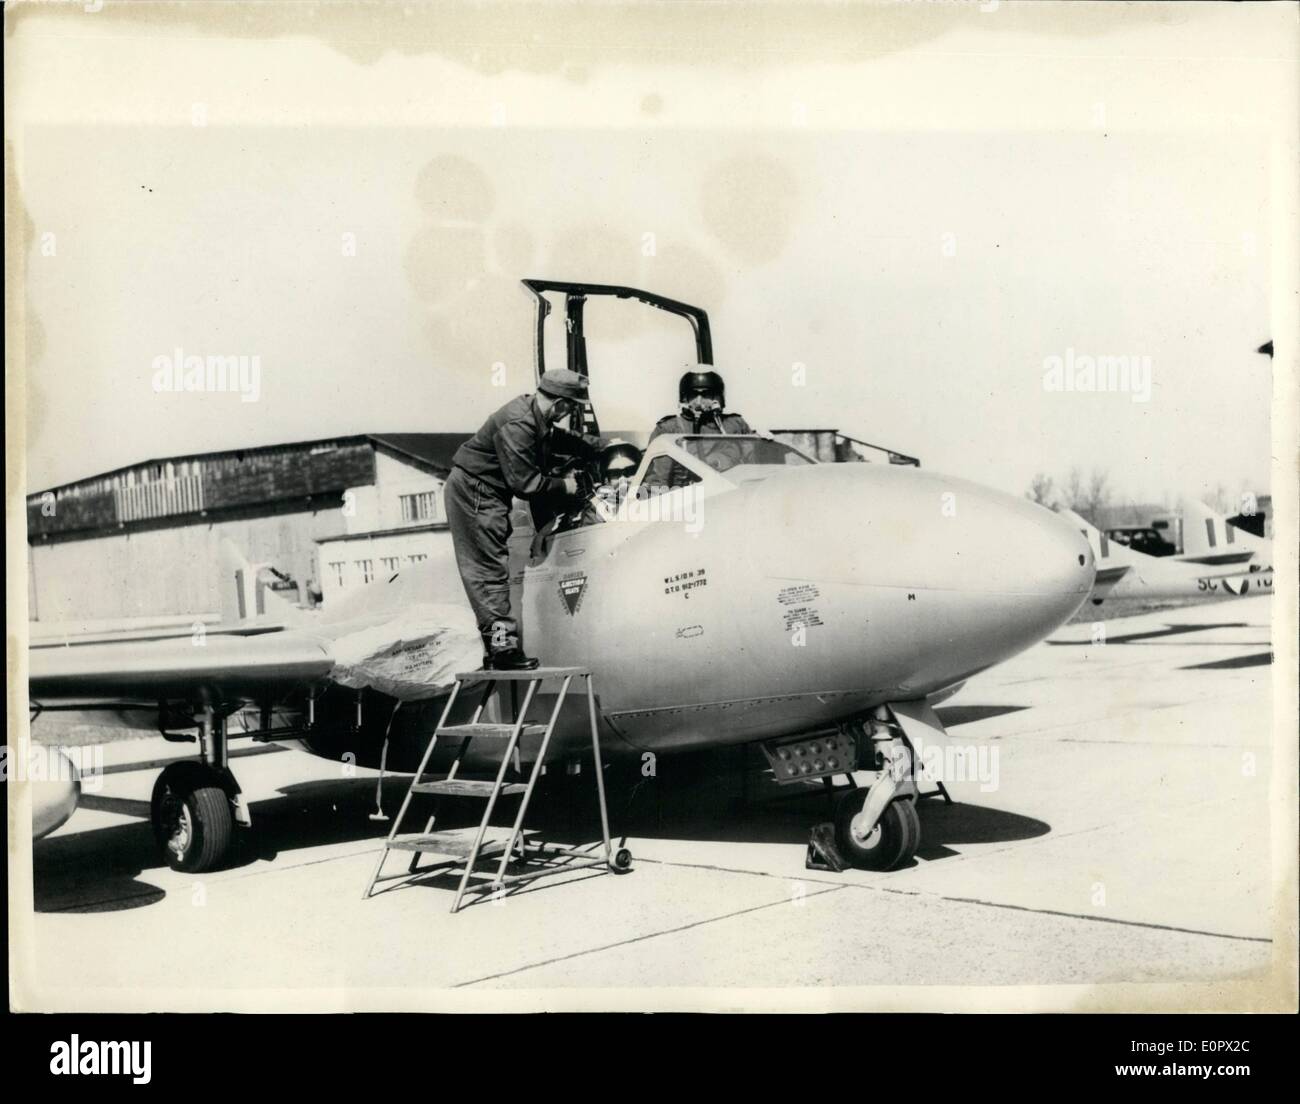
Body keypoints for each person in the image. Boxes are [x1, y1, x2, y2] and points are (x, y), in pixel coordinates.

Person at [444, 369, 599, 669]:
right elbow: (525, 484)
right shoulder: (519, 423)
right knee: (488, 571)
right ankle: (502, 650)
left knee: (491, 568)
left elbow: (559, 439)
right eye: (572, 408)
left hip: (486, 490)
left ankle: (500, 647)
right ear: (560, 405)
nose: (570, 414)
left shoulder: (535, 415)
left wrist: (599, 447)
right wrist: (565, 486)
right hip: (475, 492)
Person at [649, 366, 752, 441]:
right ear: (684, 398)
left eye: (706, 394)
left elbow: (754, 459)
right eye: (693, 394)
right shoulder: (669, 429)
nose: (699, 400)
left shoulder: (736, 425)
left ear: (719, 397)